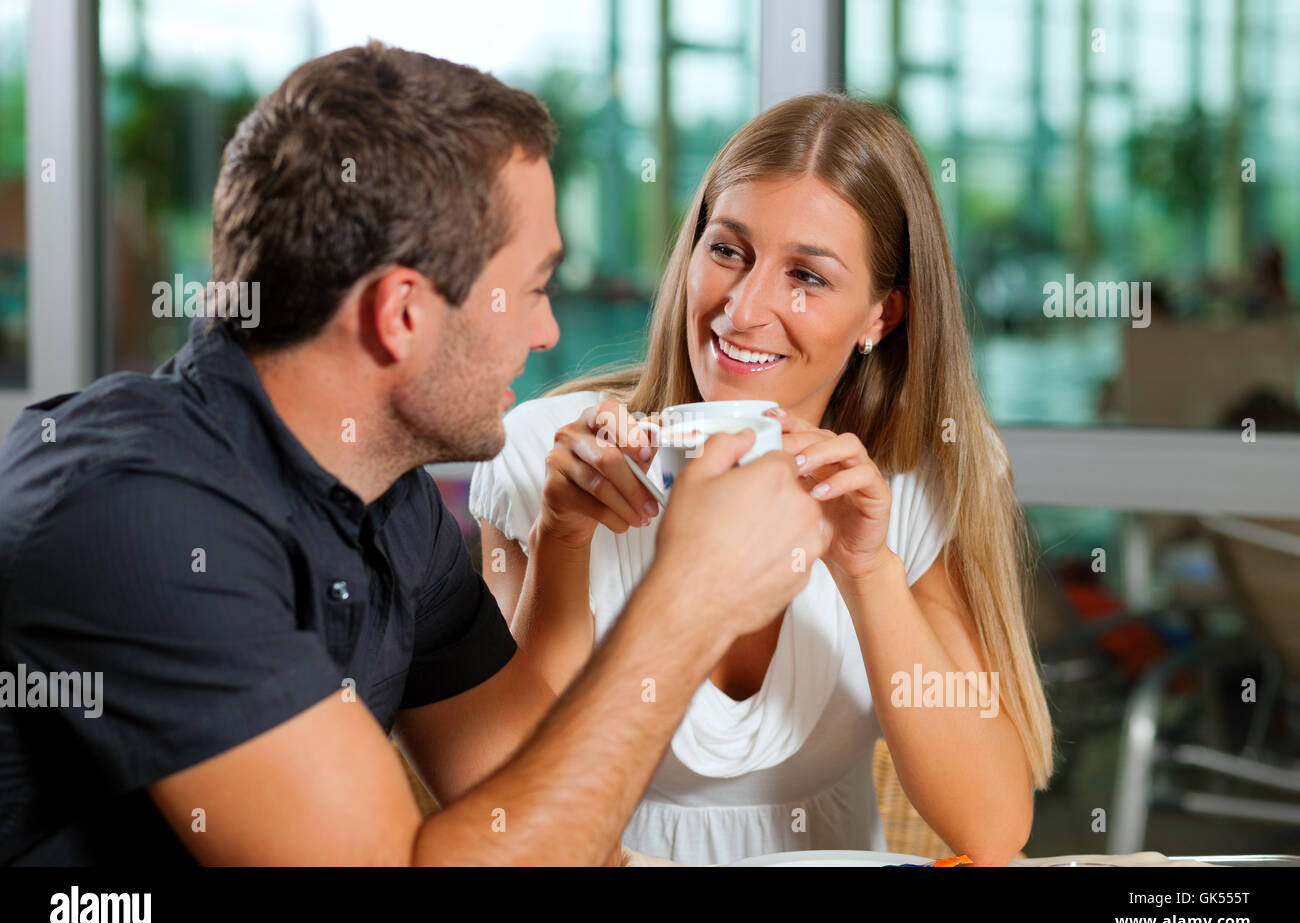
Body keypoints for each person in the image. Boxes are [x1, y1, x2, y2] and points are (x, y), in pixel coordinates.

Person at [0, 42, 830, 866]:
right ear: (401, 314)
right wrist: (689, 600)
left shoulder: (388, 502)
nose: (548, 332)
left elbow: (532, 809)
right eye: (535, 288)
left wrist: (571, 542)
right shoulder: (130, 512)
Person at [471, 93, 1055, 865]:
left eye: (807, 276)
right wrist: (565, 538)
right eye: (728, 252)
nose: (744, 310)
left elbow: (992, 825)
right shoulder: (545, 456)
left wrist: (864, 567)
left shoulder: (920, 478)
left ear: (883, 315)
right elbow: (505, 807)